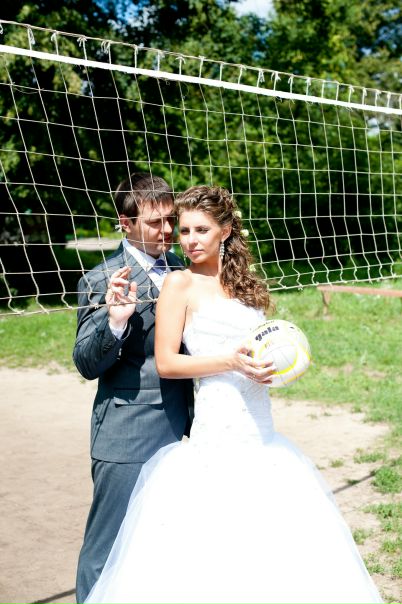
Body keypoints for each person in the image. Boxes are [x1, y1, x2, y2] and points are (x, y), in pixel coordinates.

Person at [83, 185, 383, 604]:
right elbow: (166, 362)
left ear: (224, 231)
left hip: (261, 429)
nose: (189, 240)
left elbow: (261, 344)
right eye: (184, 230)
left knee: (273, 546)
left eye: (201, 230)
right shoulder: (179, 283)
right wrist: (230, 362)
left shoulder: (245, 283)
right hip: (215, 429)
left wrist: (277, 365)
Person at [73, 173, 194, 604]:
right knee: (107, 550)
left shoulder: (185, 271)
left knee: (164, 544)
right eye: (154, 222)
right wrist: (115, 322)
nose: (167, 230)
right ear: (125, 224)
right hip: (127, 434)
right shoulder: (101, 279)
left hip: (186, 431)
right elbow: (86, 363)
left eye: (170, 219)